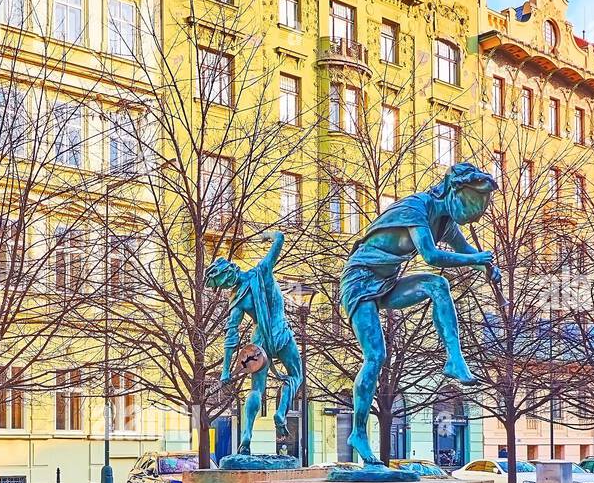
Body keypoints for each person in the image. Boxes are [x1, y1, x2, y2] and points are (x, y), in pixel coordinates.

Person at [341, 162, 499, 465]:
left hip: (386, 283)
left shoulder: (445, 223)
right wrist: (477, 259)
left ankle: (455, 359)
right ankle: (358, 433)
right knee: (375, 357)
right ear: (452, 191)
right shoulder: (416, 208)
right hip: (359, 281)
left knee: (437, 285)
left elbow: (466, 251)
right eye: (468, 204)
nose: (467, 216)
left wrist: (488, 265)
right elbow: (430, 255)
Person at [208, 231, 304, 456]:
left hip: (259, 343)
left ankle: (246, 436)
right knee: (295, 375)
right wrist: (267, 236)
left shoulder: (237, 300)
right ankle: (281, 412)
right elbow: (280, 238)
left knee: (256, 390)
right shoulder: (262, 270)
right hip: (281, 332)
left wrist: (225, 371)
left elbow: (231, 335)